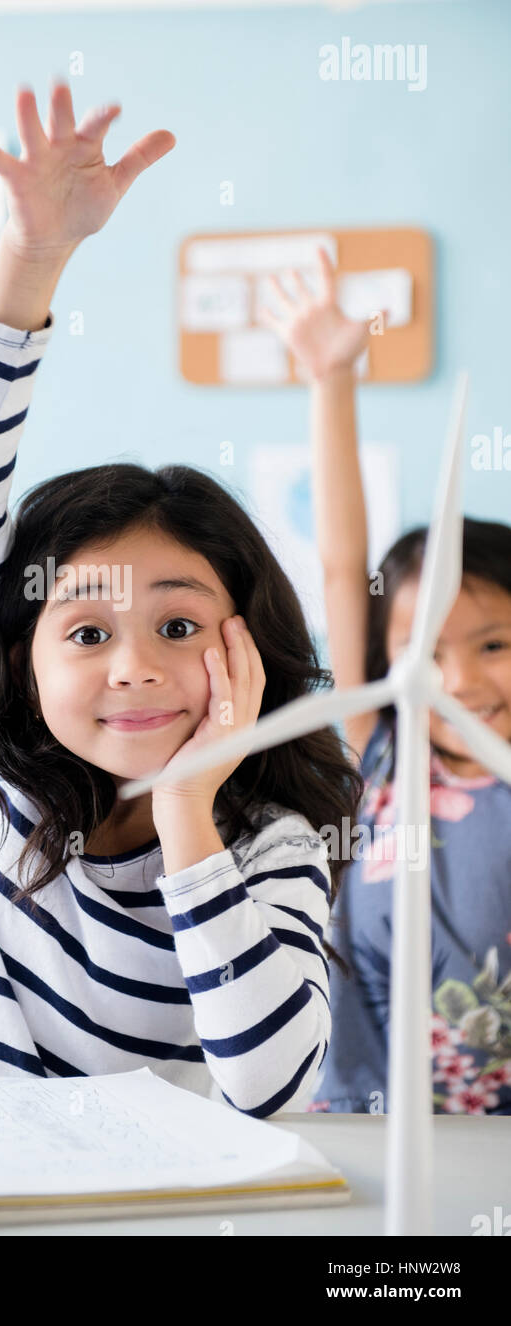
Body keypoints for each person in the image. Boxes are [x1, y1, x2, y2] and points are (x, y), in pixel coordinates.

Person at [0, 82, 362, 1116]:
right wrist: (33, 258)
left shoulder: (273, 840)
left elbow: (270, 1084)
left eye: (178, 626)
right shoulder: (0, 764)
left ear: (246, 643)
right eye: (86, 630)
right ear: (19, 658)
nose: (132, 664)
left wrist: (185, 804)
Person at [261, 247, 511, 1114]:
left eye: (494, 645)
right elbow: (339, 566)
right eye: (421, 648)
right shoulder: (385, 742)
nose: (456, 679)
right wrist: (330, 381)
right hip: (363, 1114)